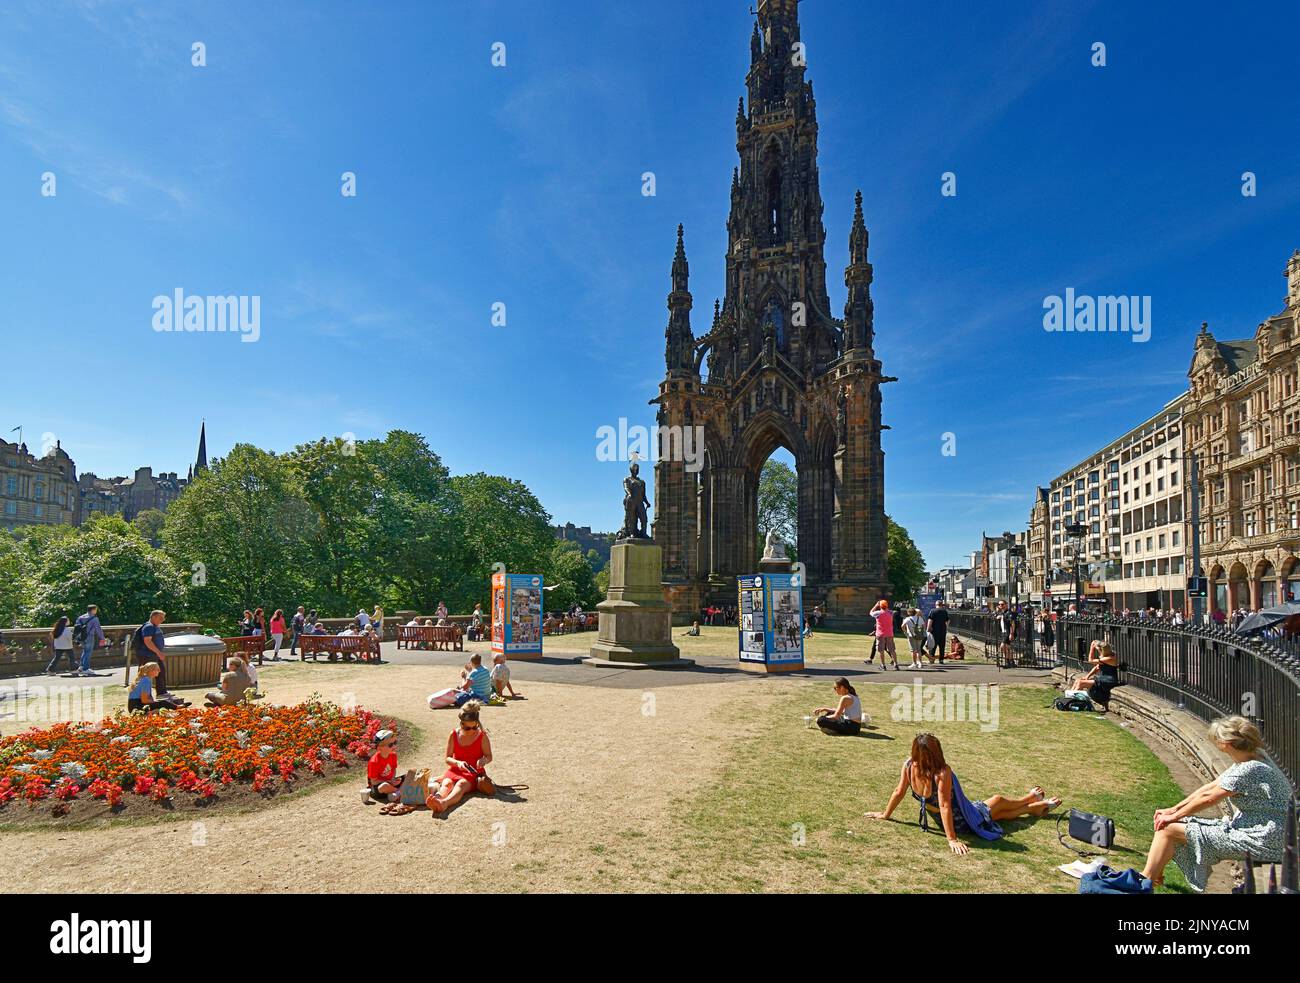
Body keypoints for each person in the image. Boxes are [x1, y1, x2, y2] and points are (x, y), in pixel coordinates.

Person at [1140, 716, 1289, 891]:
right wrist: (1173, 810)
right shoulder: (1255, 756)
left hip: (1263, 839)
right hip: (1265, 833)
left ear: (1225, 744)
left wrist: (1173, 816)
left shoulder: (1250, 768)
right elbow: (1210, 788)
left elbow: (1210, 798)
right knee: (1172, 824)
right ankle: (1151, 877)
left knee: (1168, 829)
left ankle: (1144, 882)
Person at [864, 733, 1061, 854]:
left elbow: (899, 792)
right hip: (962, 820)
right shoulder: (941, 771)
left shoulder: (908, 765)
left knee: (997, 813)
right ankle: (1032, 802)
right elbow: (945, 805)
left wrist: (885, 815)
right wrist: (952, 839)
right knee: (997, 801)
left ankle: (1033, 805)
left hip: (944, 820)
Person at [426, 702, 493, 815]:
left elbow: (489, 756)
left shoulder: (482, 736)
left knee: (461, 785)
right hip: (455, 770)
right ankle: (436, 799)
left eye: (474, 727)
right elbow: (447, 758)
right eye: (467, 728)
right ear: (461, 724)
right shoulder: (453, 734)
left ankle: (444, 803)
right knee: (447, 783)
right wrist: (458, 763)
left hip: (473, 773)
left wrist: (484, 760)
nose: (471, 730)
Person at [132, 609, 190, 706]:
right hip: (147, 655)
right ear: (153, 617)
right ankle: (144, 695)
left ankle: (161, 692)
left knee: (160, 671)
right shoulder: (149, 626)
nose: (162, 620)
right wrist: (158, 652)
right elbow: (147, 641)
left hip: (153, 655)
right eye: (160, 618)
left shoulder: (154, 626)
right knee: (146, 675)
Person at [1070, 639, 1120, 707]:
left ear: (1103, 650)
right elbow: (1097, 668)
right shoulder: (1105, 657)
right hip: (1102, 679)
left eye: (1099, 650)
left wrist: (1092, 647)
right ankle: (1069, 700)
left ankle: (1073, 703)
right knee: (1078, 681)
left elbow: (1090, 660)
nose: (1098, 652)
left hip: (1108, 680)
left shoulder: (1110, 658)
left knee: (1081, 683)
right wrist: (1087, 676)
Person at [367, 729, 406, 807]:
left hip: (390, 782)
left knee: (408, 775)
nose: (394, 746)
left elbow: (394, 769)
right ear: (379, 748)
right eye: (390, 745)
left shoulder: (393, 755)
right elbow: (374, 782)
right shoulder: (374, 762)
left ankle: (395, 793)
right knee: (384, 786)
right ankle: (400, 792)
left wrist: (393, 779)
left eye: (395, 743)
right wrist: (390, 782)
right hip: (377, 789)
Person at [73, 604, 106, 677]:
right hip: (89, 637)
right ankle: (86, 668)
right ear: (93, 610)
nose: (96, 611)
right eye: (96, 609)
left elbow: (77, 628)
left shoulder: (80, 617)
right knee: (88, 652)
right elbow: (98, 629)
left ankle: (81, 667)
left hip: (81, 637)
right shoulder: (94, 618)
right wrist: (102, 638)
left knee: (85, 651)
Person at [867, 599, 898, 670]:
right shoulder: (890, 613)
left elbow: (871, 612)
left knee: (881, 651)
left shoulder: (877, 613)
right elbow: (892, 611)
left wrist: (876, 605)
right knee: (892, 650)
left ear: (880, 606)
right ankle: (896, 664)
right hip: (889, 633)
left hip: (880, 634)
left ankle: (883, 665)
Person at [926, 600, 950, 665]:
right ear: (941, 605)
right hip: (942, 630)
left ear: (936, 604)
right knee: (942, 646)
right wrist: (946, 627)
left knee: (933, 645)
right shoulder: (944, 611)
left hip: (934, 631)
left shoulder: (933, 611)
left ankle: (931, 659)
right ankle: (941, 660)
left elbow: (930, 620)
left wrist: (928, 629)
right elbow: (948, 621)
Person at [995, 600, 1016, 666]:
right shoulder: (1002, 612)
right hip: (1003, 632)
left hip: (1008, 632)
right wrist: (999, 616)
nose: (1001, 605)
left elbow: (1012, 623)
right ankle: (1011, 661)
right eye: (999, 604)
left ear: (1006, 604)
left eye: (1002, 604)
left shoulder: (1009, 613)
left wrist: (1011, 634)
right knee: (1008, 647)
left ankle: (1007, 660)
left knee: (1002, 646)